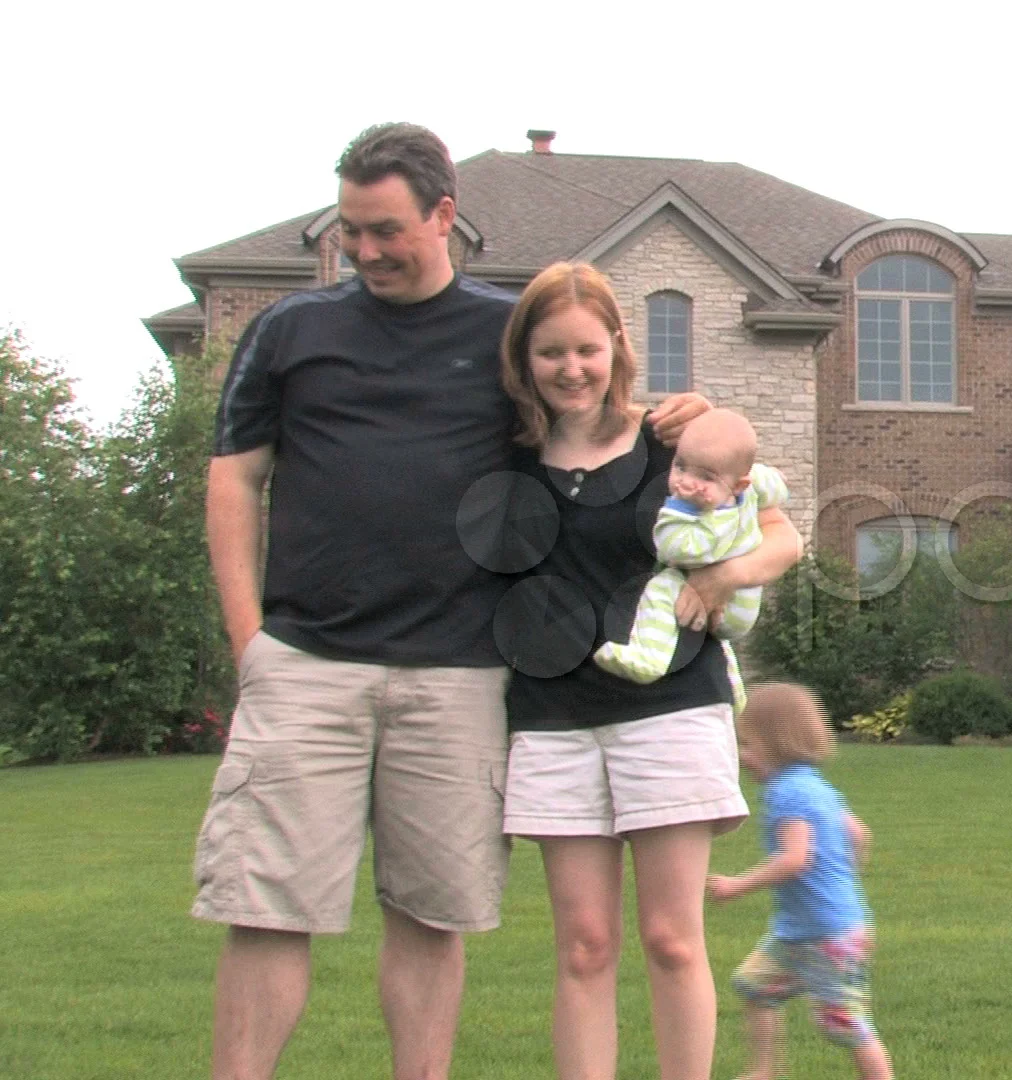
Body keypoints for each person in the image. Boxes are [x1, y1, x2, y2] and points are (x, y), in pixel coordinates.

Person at [194, 124, 709, 1080]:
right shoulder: (290, 331)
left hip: (462, 673)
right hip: (307, 663)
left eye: (386, 228)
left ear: (443, 215)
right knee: (265, 909)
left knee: (432, 916)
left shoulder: (505, 335)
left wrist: (696, 418)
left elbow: (594, 416)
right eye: (351, 230)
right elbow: (235, 480)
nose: (366, 249)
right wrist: (249, 643)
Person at [498, 261, 802, 1080]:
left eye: (586, 350)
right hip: (553, 719)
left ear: (617, 347)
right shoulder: (509, 460)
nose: (570, 369)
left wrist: (721, 578)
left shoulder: (675, 441)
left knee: (672, 938)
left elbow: (781, 538)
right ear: (525, 358)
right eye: (550, 352)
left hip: (670, 711)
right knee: (585, 947)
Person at [709, 683, 895, 1080]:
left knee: (844, 1022)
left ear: (777, 743)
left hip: (828, 937)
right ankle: (762, 1072)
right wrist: (844, 886)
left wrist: (736, 885)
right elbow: (859, 834)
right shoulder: (815, 784)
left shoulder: (788, 792)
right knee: (754, 985)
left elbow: (795, 858)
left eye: (749, 744)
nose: (743, 757)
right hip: (802, 932)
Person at [593, 407, 788, 714]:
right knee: (717, 639)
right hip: (741, 602)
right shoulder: (748, 488)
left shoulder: (703, 515)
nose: (687, 482)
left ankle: (649, 656)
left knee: (662, 586)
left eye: (705, 477)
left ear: (739, 485)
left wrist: (677, 510)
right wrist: (775, 480)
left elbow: (679, 551)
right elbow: (774, 485)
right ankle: (735, 690)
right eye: (681, 467)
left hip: (735, 599)